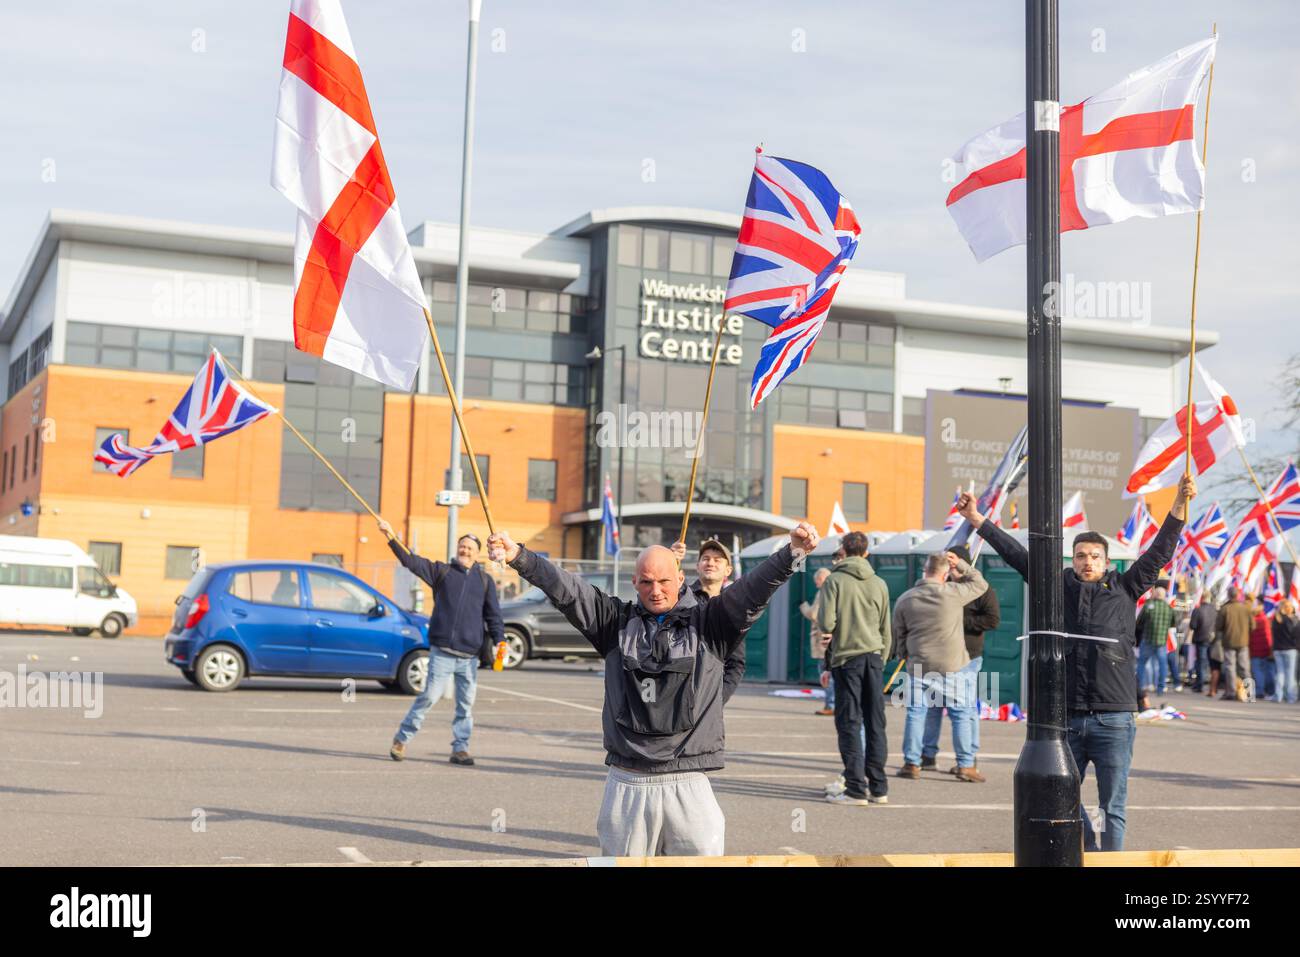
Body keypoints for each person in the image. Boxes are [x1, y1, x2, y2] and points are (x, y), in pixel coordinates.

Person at [486, 522, 817, 856]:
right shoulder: (612, 621)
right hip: (627, 782)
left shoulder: (711, 622)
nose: (655, 590)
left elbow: (752, 590)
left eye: (663, 581)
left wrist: (792, 552)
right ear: (634, 582)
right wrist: (519, 556)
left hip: (689, 782)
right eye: (646, 582)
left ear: (680, 580)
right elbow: (569, 591)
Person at [956, 472, 1195, 852]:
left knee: (1112, 804)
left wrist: (1179, 505)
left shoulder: (1126, 586)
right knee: (1064, 795)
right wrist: (977, 521)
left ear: (1106, 561)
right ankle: (1091, 854)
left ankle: (1111, 862)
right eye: (1081, 555)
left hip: (1114, 717)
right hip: (1066, 716)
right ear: (1073, 558)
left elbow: (1160, 551)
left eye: (1094, 557)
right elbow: (1016, 554)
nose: (1087, 562)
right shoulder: (1058, 585)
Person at [378, 519, 502, 767]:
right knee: (429, 697)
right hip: (442, 652)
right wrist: (391, 537)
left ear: (477, 554)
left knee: (465, 706)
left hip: (469, 657)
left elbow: (494, 615)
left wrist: (500, 640)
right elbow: (411, 562)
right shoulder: (441, 572)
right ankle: (401, 739)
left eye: (469, 548)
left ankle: (460, 749)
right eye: (462, 547)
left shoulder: (485, 581)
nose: (465, 551)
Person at [892, 551, 989, 782]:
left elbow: (899, 633)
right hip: (953, 665)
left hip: (919, 664)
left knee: (916, 714)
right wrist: (962, 565)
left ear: (924, 571)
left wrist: (905, 655)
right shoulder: (952, 594)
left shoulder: (906, 598)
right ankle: (966, 765)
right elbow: (980, 584)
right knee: (961, 715)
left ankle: (912, 763)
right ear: (945, 574)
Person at [818, 530, 892, 806]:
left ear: (843, 550)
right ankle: (879, 787)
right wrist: (881, 657)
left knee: (849, 722)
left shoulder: (835, 580)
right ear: (866, 553)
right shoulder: (879, 583)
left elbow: (826, 623)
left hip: (847, 658)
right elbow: (887, 627)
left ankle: (855, 789)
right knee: (876, 723)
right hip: (874, 657)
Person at [917, 543, 1001, 773]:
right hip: (939, 655)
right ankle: (928, 754)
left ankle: (968, 758)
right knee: (933, 706)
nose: (951, 571)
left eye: (954, 565)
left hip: (968, 655)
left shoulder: (980, 589)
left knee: (964, 709)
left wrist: (960, 623)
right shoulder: (942, 587)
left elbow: (992, 619)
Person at [676, 538, 746, 704]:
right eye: (705, 558)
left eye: (717, 560)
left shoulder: (732, 607)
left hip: (708, 702)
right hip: (675, 693)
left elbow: (736, 664)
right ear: (697, 565)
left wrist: (717, 700)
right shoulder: (680, 595)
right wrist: (671, 560)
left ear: (728, 570)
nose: (710, 563)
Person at [800, 568, 834, 715]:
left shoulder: (823, 593)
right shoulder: (835, 590)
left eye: (817, 581)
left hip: (823, 639)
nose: (816, 584)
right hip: (833, 638)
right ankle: (833, 704)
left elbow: (814, 614)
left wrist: (804, 606)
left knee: (826, 674)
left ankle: (830, 705)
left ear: (823, 579)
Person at [1215, 588, 1253, 701]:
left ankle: (1231, 692)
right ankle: (1250, 694)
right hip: (1243, 642)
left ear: (1228, 595)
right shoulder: (1246, 608)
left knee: (1230, 667)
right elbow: (1253, 625)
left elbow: (1218, 627)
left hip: (1229, 641)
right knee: (1244, 667)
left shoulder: (1225, 608)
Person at [1136, 586, 1175, 696]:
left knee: (1142, 664)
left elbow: (1139, 622)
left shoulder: (1148, 606)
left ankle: (1138, 687)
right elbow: (1172, 624)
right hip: (1161, 641)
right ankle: (1161, 688)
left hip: (1148, 639)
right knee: (1162, 665)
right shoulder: (1168, 608)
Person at [1186, 593, 1217, 693]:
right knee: (1207, 662)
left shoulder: (1198, 610)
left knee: (1200, 662)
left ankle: (1200, 684)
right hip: (1211, 639)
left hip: (1200, 638)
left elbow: (1193, 626)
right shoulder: (1214, 610)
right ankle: (1204, 683)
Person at [1272, 600, 1299, 704]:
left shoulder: (1276, 619)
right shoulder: (1292, 620)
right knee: (1290, 674)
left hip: (1278, 649)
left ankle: (1278, 696)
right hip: (1290, 649)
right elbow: (1296, 634)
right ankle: (1291, 697)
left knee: (1280, 673)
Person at [1248, 598, 1275, 701]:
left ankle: (1259, 691)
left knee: (1257, 671)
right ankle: (1270, 690)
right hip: (1266, 649)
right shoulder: (1266, 620)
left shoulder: (1254, 621)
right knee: (1268, 671)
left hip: (1255, 650)